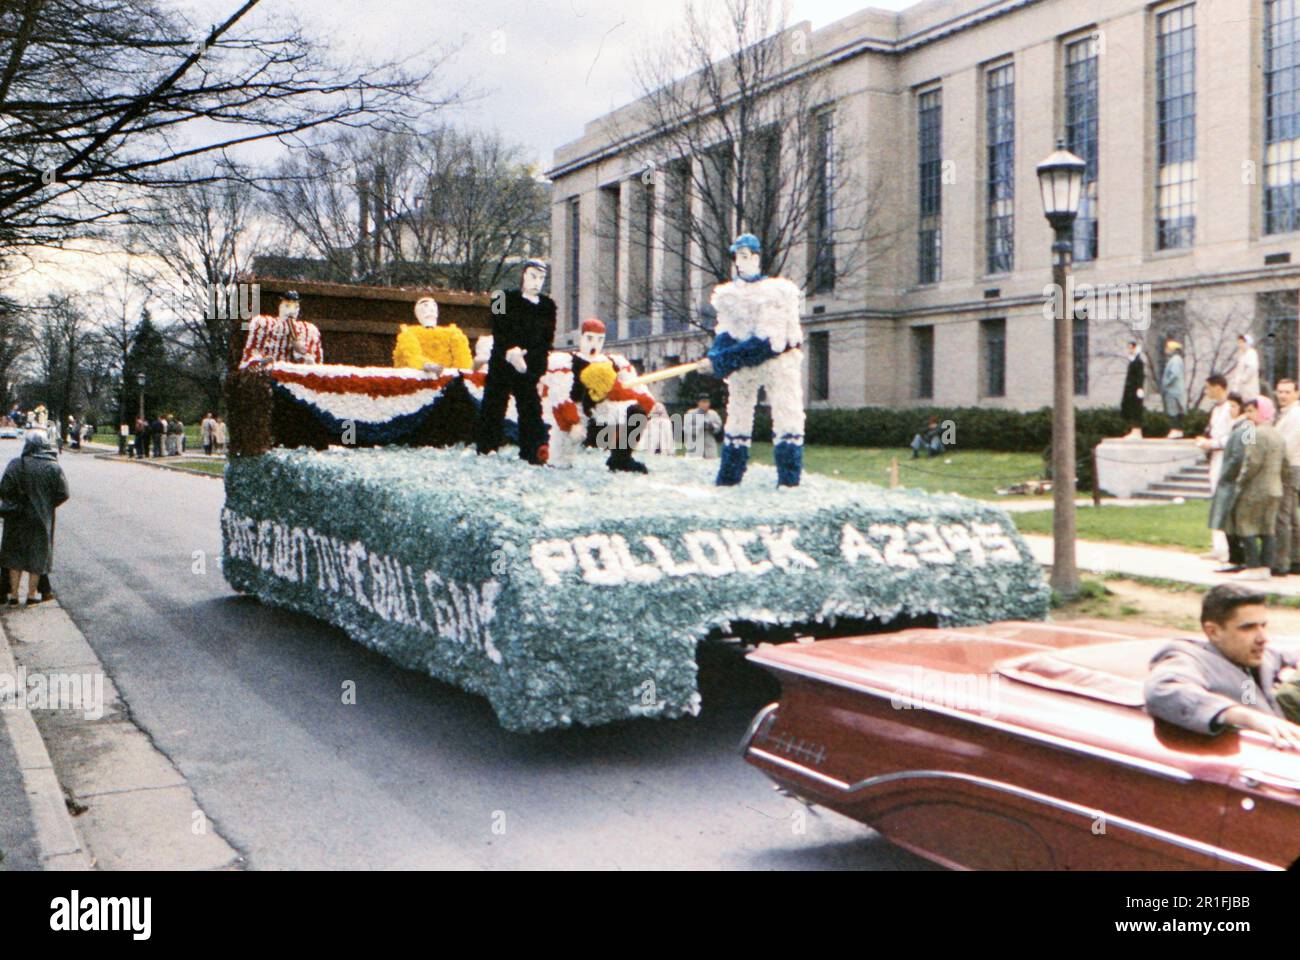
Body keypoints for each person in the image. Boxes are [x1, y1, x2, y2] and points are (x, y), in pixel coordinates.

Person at [697, 233, 805, 487]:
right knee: (737, 414)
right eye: (737, 257)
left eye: (745, 256)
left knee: (787, 415)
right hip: (743, 365)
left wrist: (722, 361)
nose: (740, 262)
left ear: (757, 258)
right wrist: (715, 356)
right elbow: (726, 333)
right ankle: (728, 478)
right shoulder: (730, 294)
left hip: (779, 362)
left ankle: (789, 481)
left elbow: (766, 343)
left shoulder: (777, 293)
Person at [1143, 584, 1300, 746]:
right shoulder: (1191, 660)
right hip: (1246, 755)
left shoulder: (1257, 655)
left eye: (1263, 626)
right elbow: (1161, 690)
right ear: (1213, 632)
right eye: (1248, 628)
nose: (1262, 638)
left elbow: (1287, 655)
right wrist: (1244, 716)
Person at [474, 260, 555, 465]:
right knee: (494, 403)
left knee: (530, 406)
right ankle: (487, 447)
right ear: (523, 276)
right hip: (503, 360)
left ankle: (532, 451)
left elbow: (546, 340)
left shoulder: (548, 306)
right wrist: (511, 350)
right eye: (532, 276)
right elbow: (497, 328)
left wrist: (537, 367)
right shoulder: (501, 297)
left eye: (541, 278)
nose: (537, 282)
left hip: (529, 365)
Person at [0, 430, 69, 607]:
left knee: (14, 555)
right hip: (41, 518)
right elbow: (63, 493)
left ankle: (13, 595)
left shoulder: (16, 464)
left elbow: (4, 489)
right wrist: (47, 504)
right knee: (38, 555)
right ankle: (32, 595)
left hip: (16, 517)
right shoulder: (54, 467)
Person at [1231, 398, 1285, 581]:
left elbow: (1251, 462)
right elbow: (1284, 463)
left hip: (1256, 489)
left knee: (1246, 524)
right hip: (1274, 488)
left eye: (1252, 411)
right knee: (1267, 529)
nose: (1248, 415)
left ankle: (1252, 566)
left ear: (1262, 412)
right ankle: (1266, 567)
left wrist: (1240, 481)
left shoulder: (1257, 433)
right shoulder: (1276, 434)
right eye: (1247, 411)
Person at [1208, 393, 1248, 573]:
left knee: (1231, 517)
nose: (1230, 410)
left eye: (1234, 406)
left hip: (1234, 478)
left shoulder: (1246, 426)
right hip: (1229, 476)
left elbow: (1244, 454)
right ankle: (1233, 556)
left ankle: (1238, 557)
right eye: (1229, 406)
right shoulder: (1235, 425)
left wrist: (1230, 473)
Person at [1197, 375, 1233, 561]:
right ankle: (1218, 546)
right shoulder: (1216, 409)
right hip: (1215, 457)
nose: (1207, 392)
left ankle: (1227, 548)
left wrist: (1212, 444)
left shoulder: (1230, 408)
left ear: (1218, 387)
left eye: (1209, 388)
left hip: (1225, 456)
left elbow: (1235, 436)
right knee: (1216, 499)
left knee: (1224, 500)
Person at [238, 290, 323, 368]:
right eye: (287, 306)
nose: (292, 311)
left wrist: (302, 352)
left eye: (296, 307)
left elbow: (313, 362)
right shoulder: (263, 324)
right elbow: (252, 353)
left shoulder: (309, 330)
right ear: (280, 307)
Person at [1274, 379, 1300, 577]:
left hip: (1288, 467)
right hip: (1288, 466)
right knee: (1290, 515)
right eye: (1280, 391)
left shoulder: (1295, 415)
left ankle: (1281, 562)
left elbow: (1286, 446)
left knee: (1283, 516)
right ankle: (1294, 558)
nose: (1283, 395)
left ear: (1296, 394)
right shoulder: (1285, 414)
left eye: (1287, 392)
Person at [682, 395, 723, 460]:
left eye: (707, 402)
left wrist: (712, 427)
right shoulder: (691, 413)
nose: (705, 404)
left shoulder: (713, 414)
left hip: (710, 447)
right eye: (703, 402)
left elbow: (719, 428)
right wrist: (700, 427)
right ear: (698, 403)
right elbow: (686, 429)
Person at [1161, 339, 1186, 438]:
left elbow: (1174, 374)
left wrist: (1166, 383)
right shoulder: (1177, 359)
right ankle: (1178, 430)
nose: (1166, 350)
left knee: (1173, 410)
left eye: (1167, 348)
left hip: (1173, 390)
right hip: (1176, 390)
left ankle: (1175, 429)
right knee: (1177, 410)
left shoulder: (1175, 359)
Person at [1120, 339, 1145, 439]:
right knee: (1130, 410)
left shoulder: (1138, 362)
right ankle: (1132, 429)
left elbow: (1140, 376)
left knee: (1136, 410)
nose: (1130, 350)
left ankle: (1136, 430)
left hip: (1135, 390)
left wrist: (1139, 387)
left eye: (1131, 348)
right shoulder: (1133, 361)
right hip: (1131, 391)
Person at [1229, 334, 1261, 403]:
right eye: (1239, 342)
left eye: (1241, 342)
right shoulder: (1242, 355)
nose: (1240, 345)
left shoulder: (1251, 353)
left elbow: (1252, 368)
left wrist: (1243, 379)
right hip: (1241, 388)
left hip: (1249, 389)